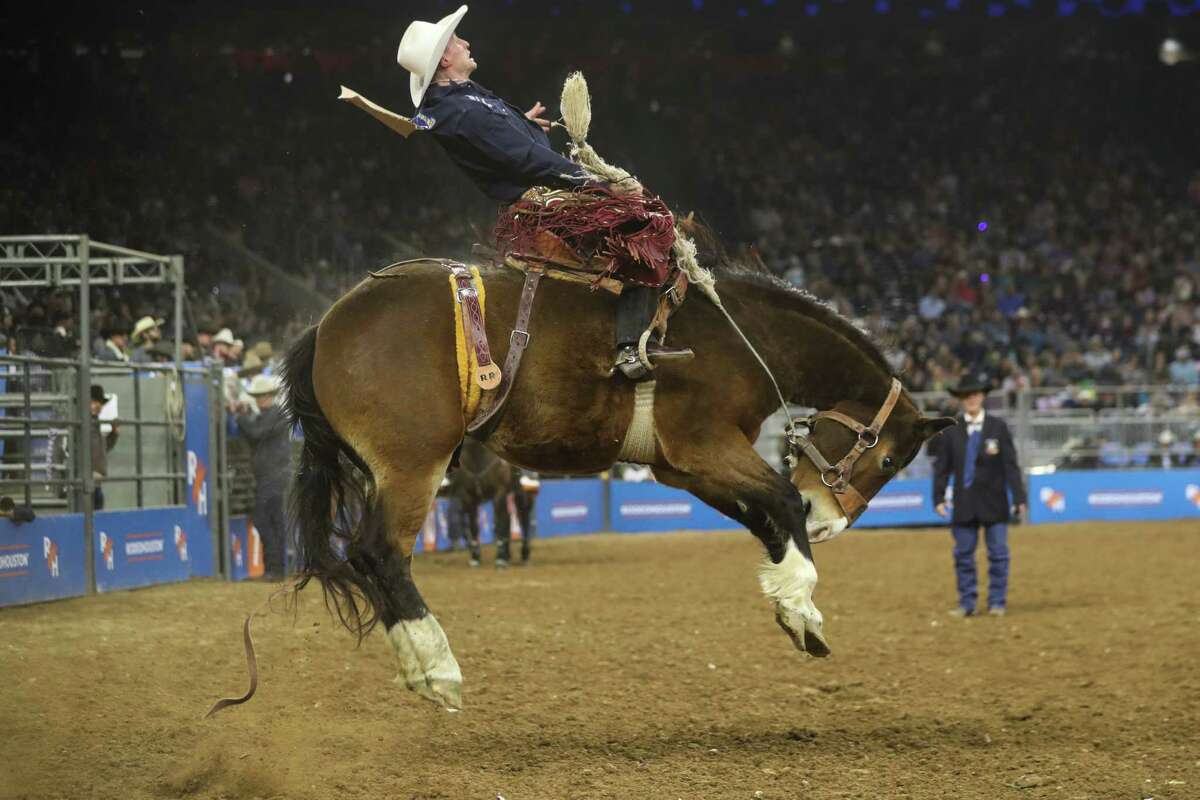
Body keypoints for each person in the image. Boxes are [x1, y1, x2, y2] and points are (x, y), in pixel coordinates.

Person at [397, 5, 691, 378]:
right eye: (456, 41)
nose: (465, 41)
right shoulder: (460, 111)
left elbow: (505, 134)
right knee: (647, 225)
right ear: (442, 61)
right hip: (541, 202)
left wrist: (525, 123)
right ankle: (630, 347)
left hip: (539, 191)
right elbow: (525, 160)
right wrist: (591, 181)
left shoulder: (463, 97)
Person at [933, 373, 1027, 617]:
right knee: (963, 555)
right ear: (961, 400)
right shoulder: (951, 431)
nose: (971, 399)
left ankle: (997, 602)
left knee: (998, 554)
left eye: (975, 394)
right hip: (964, 504)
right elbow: (942, 468)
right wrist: (938, 497)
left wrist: (1019, 498)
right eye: (966, 395)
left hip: (994, 502)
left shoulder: (999, 427)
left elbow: (1011, 465)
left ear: (983, 396)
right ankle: (967, 603)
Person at [232, 374, 291, 579]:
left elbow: (257, 433)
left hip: (271, 475)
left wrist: (240, 418)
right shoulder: (274, 415)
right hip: (274, 474)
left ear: (267, 396)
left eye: (260, 396)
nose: (258, 400)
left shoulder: (274, 415)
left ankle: (274, 568)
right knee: (273, 520)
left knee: (264, 518)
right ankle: (275, 569)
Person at [89, 384, 120, 510]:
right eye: (94, 401)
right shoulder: (86, 424)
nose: (98, 405)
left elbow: (102, 448)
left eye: (100, 402)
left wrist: (113, 434)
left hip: (93, 484)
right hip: (89, 484)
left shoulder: (93, 423)